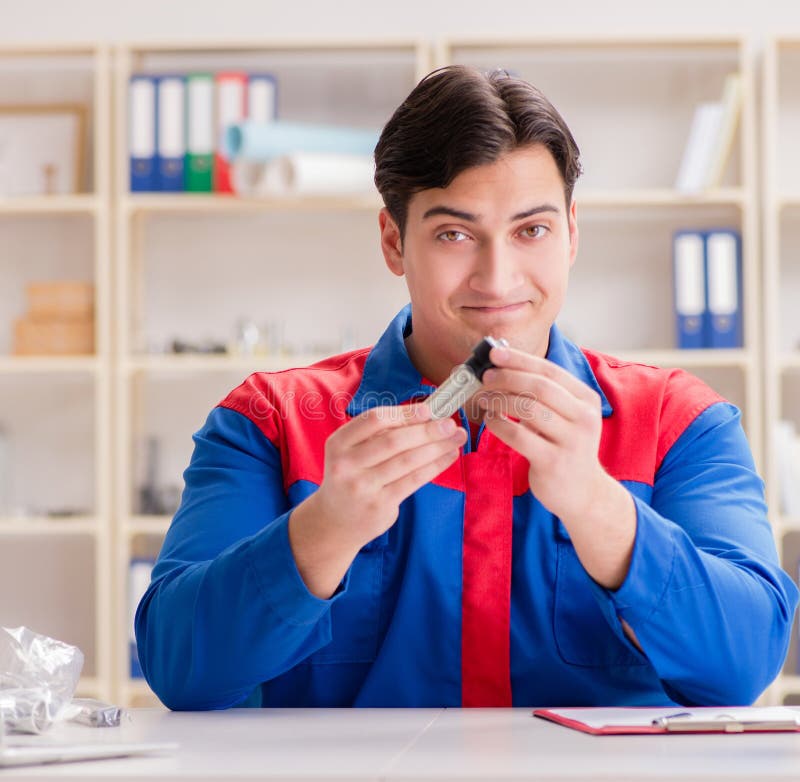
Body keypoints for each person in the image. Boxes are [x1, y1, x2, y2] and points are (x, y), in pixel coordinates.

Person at [135, 65, 798, 710]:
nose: (497, 278)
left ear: (571, 234)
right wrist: (325, 529)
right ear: (394, 242)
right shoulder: (270, 420)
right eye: (454, 234)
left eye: (531, 230)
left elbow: (743, 668)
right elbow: (179, 670)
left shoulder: (679, 422)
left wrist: (599, 508)